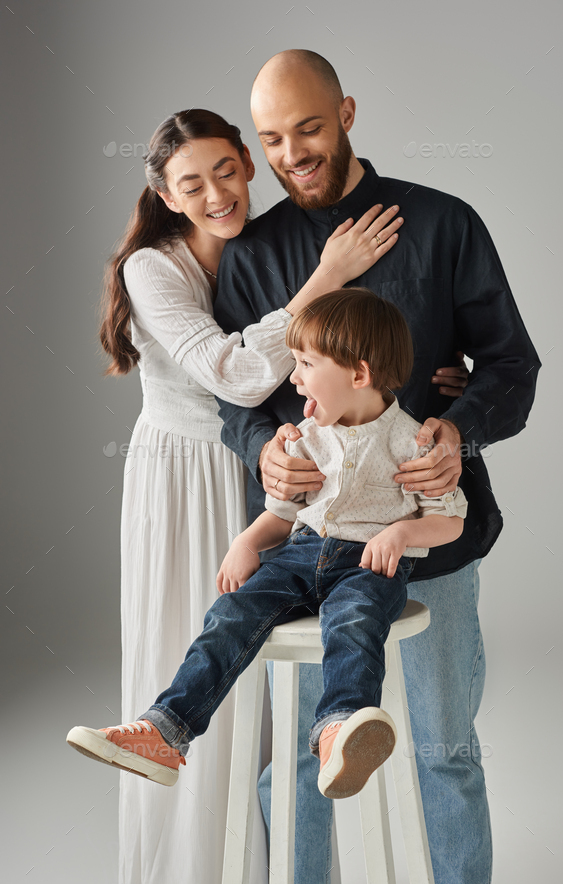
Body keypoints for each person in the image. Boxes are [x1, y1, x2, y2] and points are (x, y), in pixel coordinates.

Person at [212, 50, 542, 884]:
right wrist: (266, 457)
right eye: (273, 138)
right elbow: (238, 398)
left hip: (429, 538)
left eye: (310, 128)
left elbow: (511, 365)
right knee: (297, 760)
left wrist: (454, 433)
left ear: (349, 113)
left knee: (445, 752)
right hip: (310, 548)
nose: (292, 154)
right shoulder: (251, 256)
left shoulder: (443, 222)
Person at [94, 107, 406, 884]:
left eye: (226, 171)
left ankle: (264, 860)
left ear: (247, 162)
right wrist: (326, 279)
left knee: (268, 676)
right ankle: (181, 850)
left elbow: (341, 366)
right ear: (166, 195)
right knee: (192, 636)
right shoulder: (152, 267)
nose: (216, 195)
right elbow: (233, 372)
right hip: (181, 474)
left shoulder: (262, 251)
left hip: (270, 469)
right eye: (191, 184)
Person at [67, 287, 468, 807]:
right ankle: (165, 731)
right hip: (301, 554)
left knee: (354, 621)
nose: (294, 376)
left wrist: (402, 534)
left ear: (359, 374)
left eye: (304, 363)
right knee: (232, 612)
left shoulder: (412, 441)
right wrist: (247, 542)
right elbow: (281, 515)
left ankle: (339, 732)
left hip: (367, 565)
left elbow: (448, 520)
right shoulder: (304, 436)